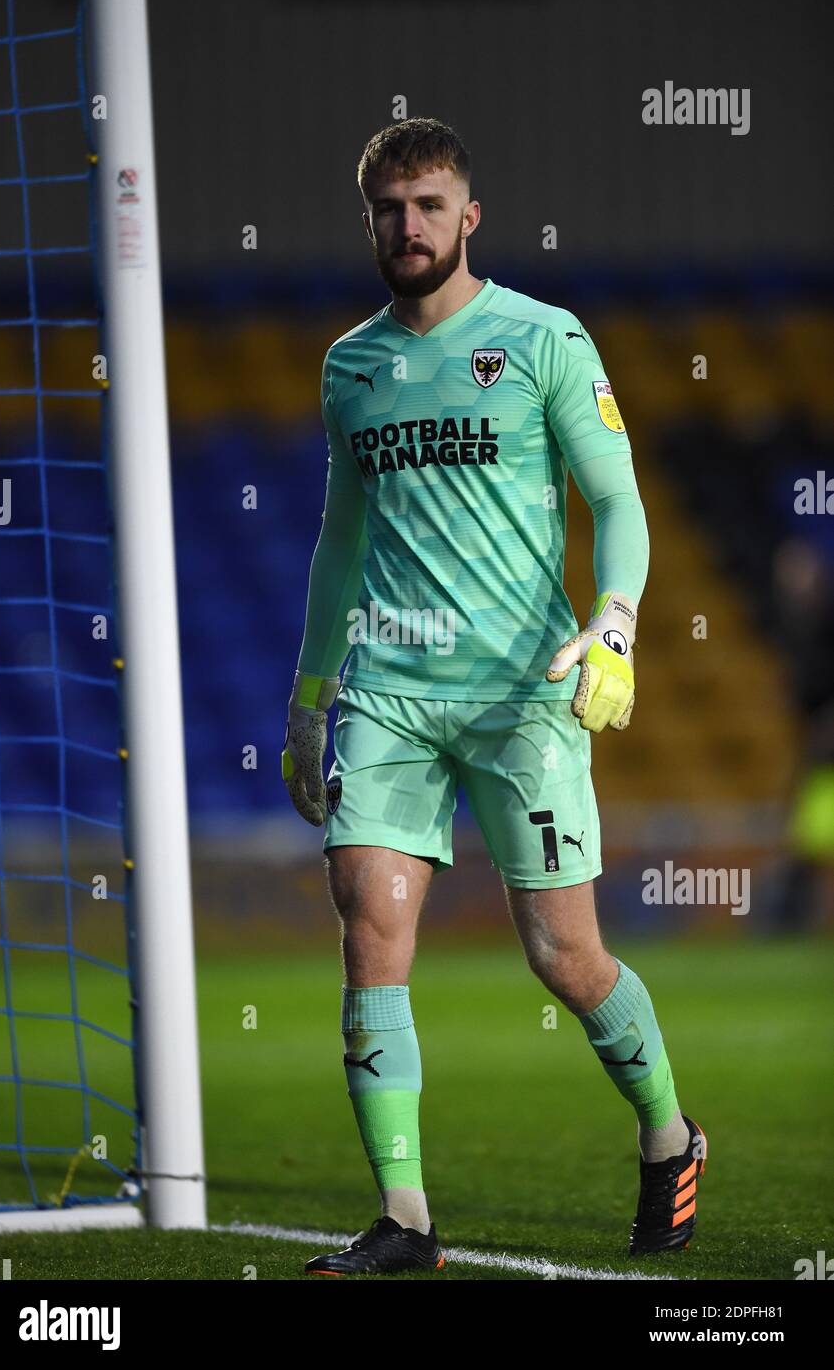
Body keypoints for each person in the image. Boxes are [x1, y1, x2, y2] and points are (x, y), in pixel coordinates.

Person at [281, 117, 706, 1276]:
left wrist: (613, 623)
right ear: (366, 218)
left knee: (563, 958)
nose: (406, 227)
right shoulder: (349, 365)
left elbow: (617, 500)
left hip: (524, 692)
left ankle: (669, 1137)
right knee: (371, 934)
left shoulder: (541, 338)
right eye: (387, 208)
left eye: (427, 206)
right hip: (391, 694)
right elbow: (337, 540)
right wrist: (311, 695)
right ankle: (405, 1221)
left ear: (470, 216)